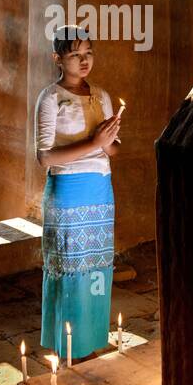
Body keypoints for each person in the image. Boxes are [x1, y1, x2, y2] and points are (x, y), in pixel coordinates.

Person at [34, 25, 121, 362]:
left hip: (100, 189)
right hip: (68, 192)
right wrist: (94, 143)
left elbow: (112, 152)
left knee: (96, 267)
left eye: (88, 53)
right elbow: (45, 157)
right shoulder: (51, 97)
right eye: (75, 55)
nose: (84, 61)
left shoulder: (101, 95)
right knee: (70, 267)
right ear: (58, 58)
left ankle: (92, 338)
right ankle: (69, 344)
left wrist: (109, 138)